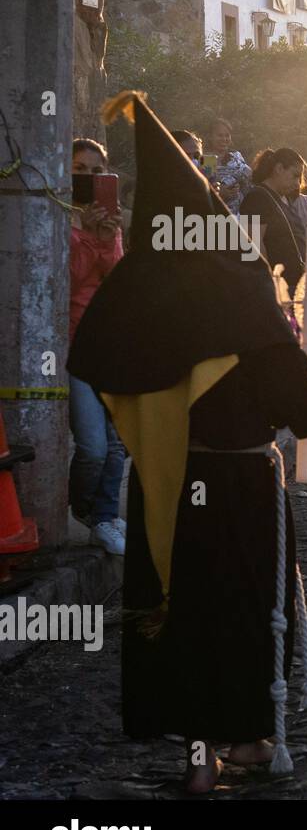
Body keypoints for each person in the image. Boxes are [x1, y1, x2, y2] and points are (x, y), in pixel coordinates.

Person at [68, 92, 307, 795]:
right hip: (242, 489)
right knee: (240, 609)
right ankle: (247, 738)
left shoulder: (139, 299)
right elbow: (302, 417)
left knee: (181, 611)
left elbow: (96, 357)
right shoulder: (243, 292)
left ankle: (195, 756)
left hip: (166, 486)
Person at [69, 137, 127, 555]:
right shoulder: (56, 215)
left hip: (109, 343)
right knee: (92, 446)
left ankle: (104, 517)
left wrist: (107, 238)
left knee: (117, 444)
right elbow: (66, 279)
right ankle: (84, 509)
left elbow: (118, 283)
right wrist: (90, 237)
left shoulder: (107, 225)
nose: (87, 178)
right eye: (80, 170)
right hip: (73, 347)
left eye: (95, 171)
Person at [239, 147, 307, 290]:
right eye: (295, 175)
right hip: (276, 288)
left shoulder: (279, 199)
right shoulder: (258, 197)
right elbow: (253, 246)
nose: (298, 183)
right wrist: (271, 284)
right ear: (279, 168)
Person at [209, 118, 252, 213]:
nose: (224, 139)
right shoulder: (206, 159)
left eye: (227, 135)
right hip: (215, 213)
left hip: (238, 213)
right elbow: (206, 186)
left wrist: (237, 186)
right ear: (210, 137)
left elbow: (248, 178)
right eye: (219, 135)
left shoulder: (236, 156)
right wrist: (220, 192)